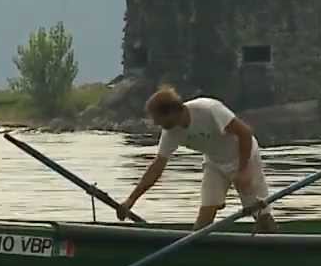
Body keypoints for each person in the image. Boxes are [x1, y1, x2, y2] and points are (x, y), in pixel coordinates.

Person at [117, 86, 279, 233]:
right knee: (207, 212)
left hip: (245, 155)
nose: (156, 123)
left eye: (158, 119)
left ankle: (276, 244)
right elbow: (157, 166)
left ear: (172, 111)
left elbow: (244, 133)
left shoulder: (208, 109)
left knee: (259, 211)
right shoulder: (171, 132)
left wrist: (243, 170)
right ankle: (197, 248)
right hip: (214, 163)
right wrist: (131, 200)